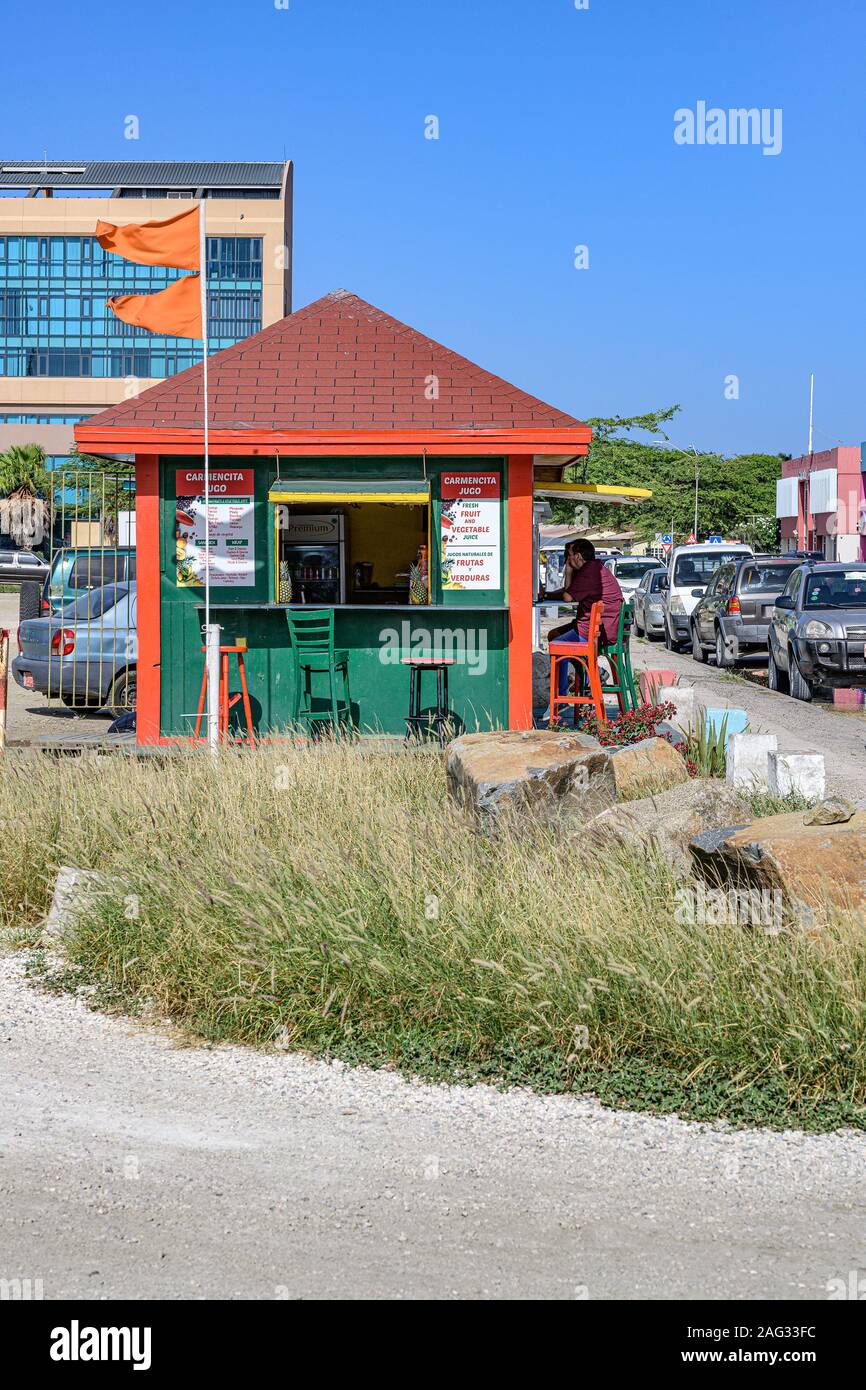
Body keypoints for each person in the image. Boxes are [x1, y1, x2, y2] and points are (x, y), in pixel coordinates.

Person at [539, 539, 624, 710]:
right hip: (595, 627)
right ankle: (593, 675)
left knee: (559, 644)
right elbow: (569, 592)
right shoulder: (594, 569)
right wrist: (547, 595)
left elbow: (568, 597)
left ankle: (561, 698)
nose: (567, 560)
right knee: (554, 636)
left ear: (578, 556)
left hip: (596, 632)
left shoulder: (589, 571)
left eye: (569, 556)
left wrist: (569, 571)